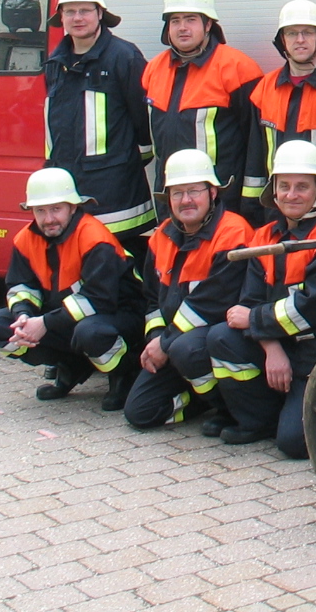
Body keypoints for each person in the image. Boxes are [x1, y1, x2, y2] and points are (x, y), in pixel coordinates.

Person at [207, 140, 316, 455]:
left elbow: (310, 311)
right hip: (287, 347)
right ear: (274, 190)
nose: (292, 195)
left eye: (302, 187)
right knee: (221, 337)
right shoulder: (264, 237)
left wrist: (255, 321)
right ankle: (261, 421)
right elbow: (249, 300)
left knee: (295, 444)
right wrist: (271, 347)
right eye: (284, 186)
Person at [0, 167, 145, 410]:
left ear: (73, 207)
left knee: (90, 333)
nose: (49, 219)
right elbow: (21, 287)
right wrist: (23, 316)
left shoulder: (94, 238)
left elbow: (98, 300)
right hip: (66, 318)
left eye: (56, 209)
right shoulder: (25, 239)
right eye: (41, 210)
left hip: (119, 315)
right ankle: (70, 363)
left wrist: (44, 323)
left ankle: (124, 374)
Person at [124, 149, 252, 434]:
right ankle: (199, 401)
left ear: (213, 193)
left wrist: (165, 343)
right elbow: (151, 299)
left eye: (194, 191)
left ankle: (225, 407)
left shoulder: (233, 233)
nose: (186, 200)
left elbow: (213, 303)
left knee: (187, 349)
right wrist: (156, 337)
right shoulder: (162, 236)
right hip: (174, 342)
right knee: (140, 413)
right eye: (177, 193)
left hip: (212, 340)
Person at [42, 0, 155, 258]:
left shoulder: (124, 57)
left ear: (100, 14)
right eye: (70, 11)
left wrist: (124, 162)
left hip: (114, 191)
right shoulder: (56, 63)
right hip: (68, 185)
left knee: (118, 267)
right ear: (61, 17)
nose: (77, 18)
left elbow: (143, 122)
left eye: (85, 10)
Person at [141, 0, 263, 216]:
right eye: (175, 20)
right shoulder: (153, 70)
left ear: (208, 24)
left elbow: (256, 146)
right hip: (172, 199)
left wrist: (251, 203)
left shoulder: (238, 69)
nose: (182, 28)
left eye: (190, 19)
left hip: (222, 200)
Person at [241, 0, 316, 231]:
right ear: (282, 41)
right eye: (292, 33)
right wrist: (253, 215)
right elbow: (255, 161)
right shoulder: (264, 90)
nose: (299, 39)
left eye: (307, 32)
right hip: (274, 214)